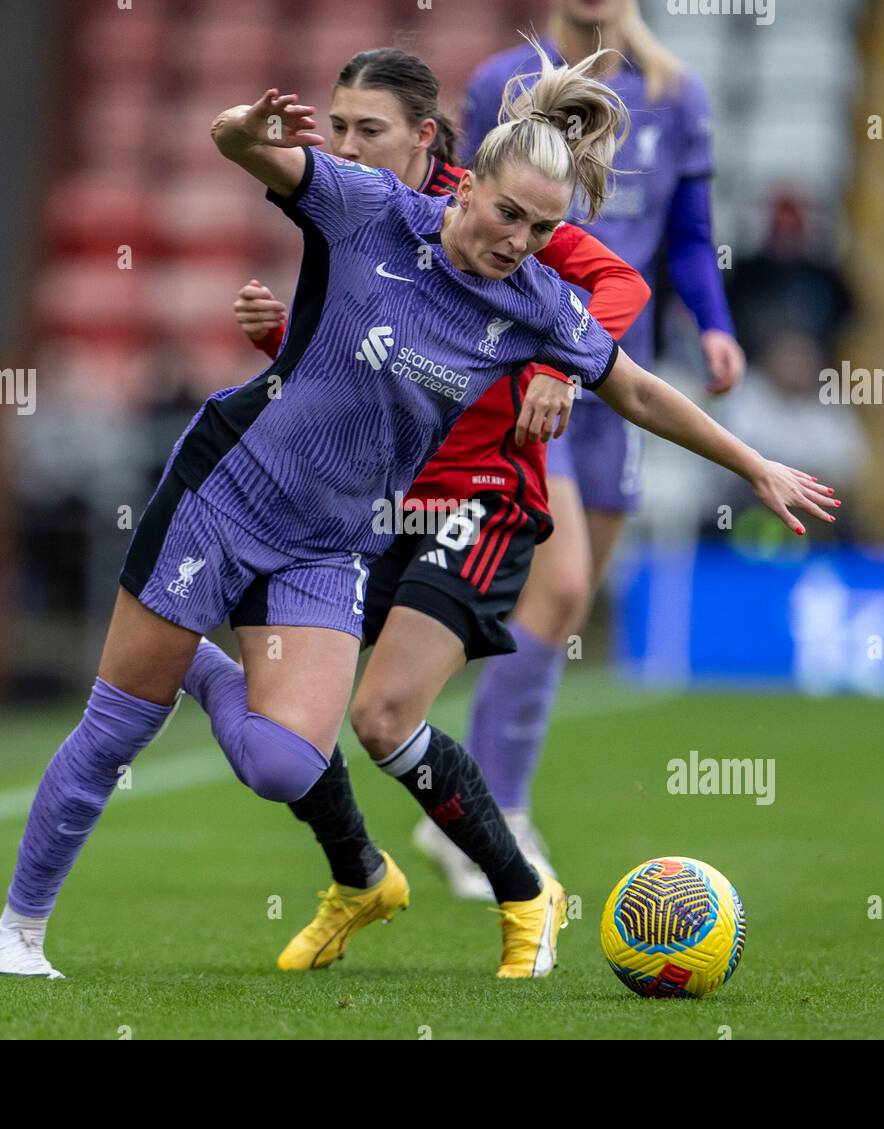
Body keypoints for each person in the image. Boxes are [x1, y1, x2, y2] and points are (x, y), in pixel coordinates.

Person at [0, 39, 838, 981]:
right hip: (224, 494)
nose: (518, 239)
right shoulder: (371, 210)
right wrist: (240, 131)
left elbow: (635, 391)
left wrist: (755, 462)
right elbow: (246, 150)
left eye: (541, 229)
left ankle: (195, 661)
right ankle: (19, 933)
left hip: (332, 541)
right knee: (116, 726)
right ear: (464, 188)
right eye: (508, 212)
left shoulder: (537, 305)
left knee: (279, 763)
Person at [228, 45, 651, 967]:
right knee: (279, 704)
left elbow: (618, 285)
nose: (343, 144)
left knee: (381, 715)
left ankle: (523, 889)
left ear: (425, 140)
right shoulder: (359, 214)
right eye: (334, 127)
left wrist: (554, 367)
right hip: (369, 496)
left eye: (364, 130)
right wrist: (284, 345)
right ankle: (358, 872)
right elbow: (360, 358)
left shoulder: (502, 208)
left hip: (476, 495)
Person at [449, 1, 748, 889]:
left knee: (565, 605)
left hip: (620, 373)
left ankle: (480, 797)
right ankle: (492, 813)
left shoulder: (673, 95)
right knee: (564, 578)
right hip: (530, 364)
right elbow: (459, 210)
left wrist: (717, 324)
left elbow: (689, 238)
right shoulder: (494, 86)